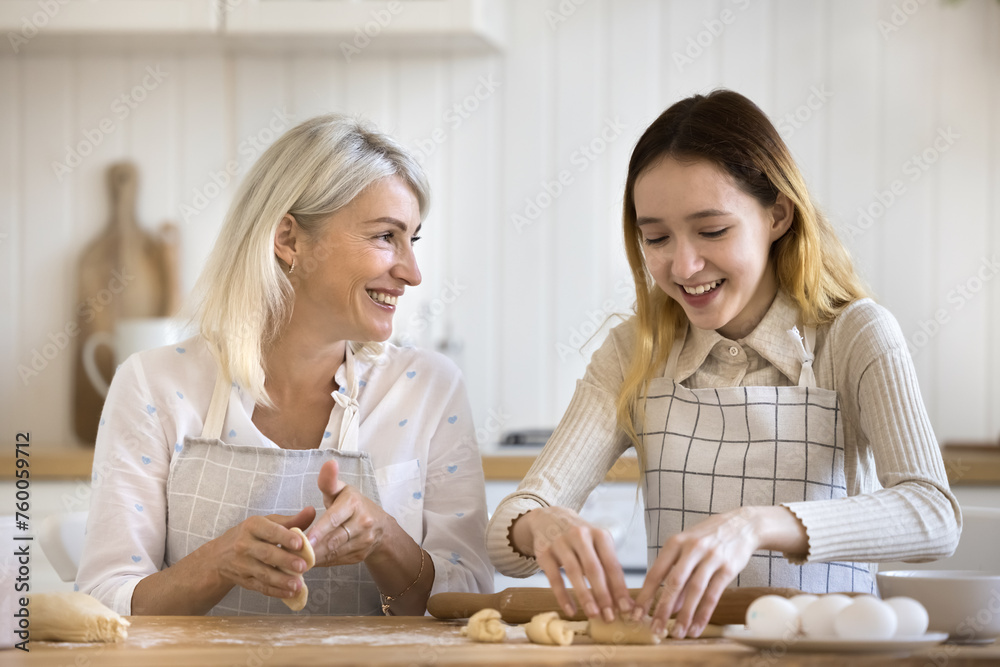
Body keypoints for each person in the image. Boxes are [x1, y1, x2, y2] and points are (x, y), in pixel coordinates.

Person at [486, 90, 961, 639]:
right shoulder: (633, 351)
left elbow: (933, 517)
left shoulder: (854, 335)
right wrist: (541, 524)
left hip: (827, 652)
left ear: (777, 214)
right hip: (684, 653)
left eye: (713, 230)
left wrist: (758, 523)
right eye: (656, 238)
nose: (683, 266)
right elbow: (508, 534)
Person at [77, 113, 493, 616]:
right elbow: (104, 600)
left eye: (413, 240)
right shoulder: (153, 384)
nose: (412, 272)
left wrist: (386, 538)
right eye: (386, 236)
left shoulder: (430, 388)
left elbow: (468, 597)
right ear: (289, 240)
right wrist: (218, 563)